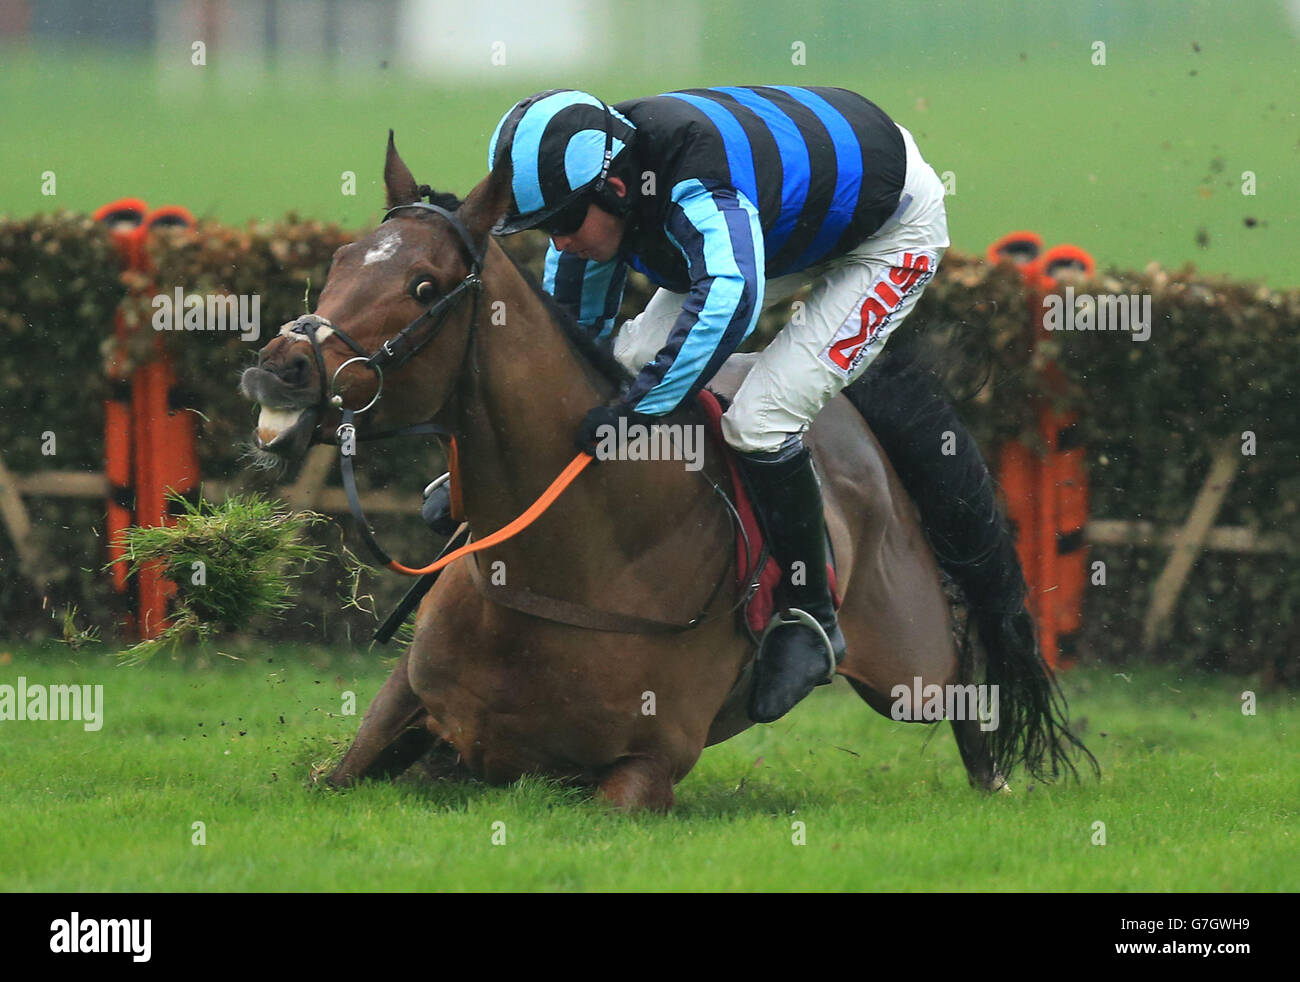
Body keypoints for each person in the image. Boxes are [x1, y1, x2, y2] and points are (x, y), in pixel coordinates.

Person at [429, 85, 949, 723]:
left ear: (615, 190)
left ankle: (811, 617)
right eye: (542, 229)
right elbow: (570, 348)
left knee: (759, 420)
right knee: (620, 363)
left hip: (886, 231)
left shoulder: (694, 181)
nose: (558, 243)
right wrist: (483, 469)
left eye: (562, 223)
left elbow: (730, 296)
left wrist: (639, 411)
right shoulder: (611, 177)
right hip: (786, 214)